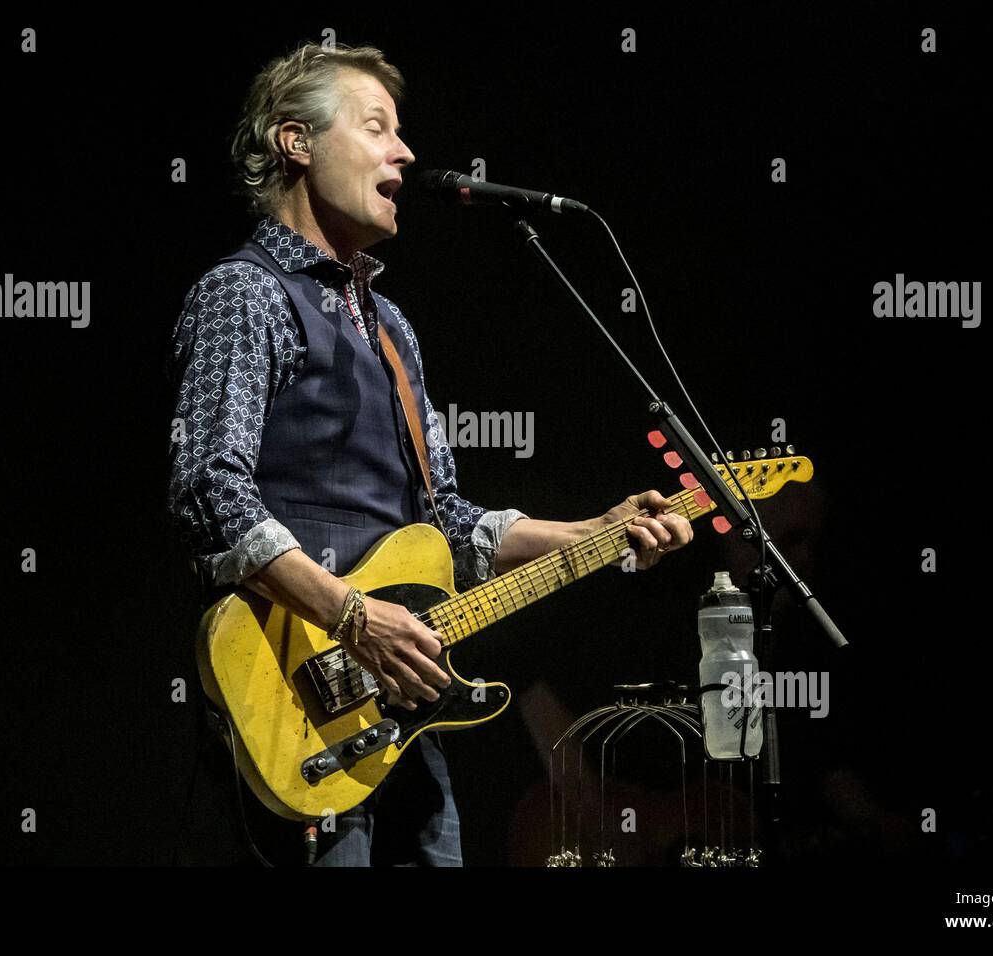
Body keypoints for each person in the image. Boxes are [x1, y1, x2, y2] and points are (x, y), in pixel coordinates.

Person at [166, 41, 693, 866]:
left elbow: (443, 518)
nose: (405, 152)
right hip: (290, 701)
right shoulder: (247, 292)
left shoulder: (393, 326)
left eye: (402, 133)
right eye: (377, 128)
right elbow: (208, 489)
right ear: (294, 142)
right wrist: (350, 615)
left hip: (398, 711)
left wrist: (595, 530)